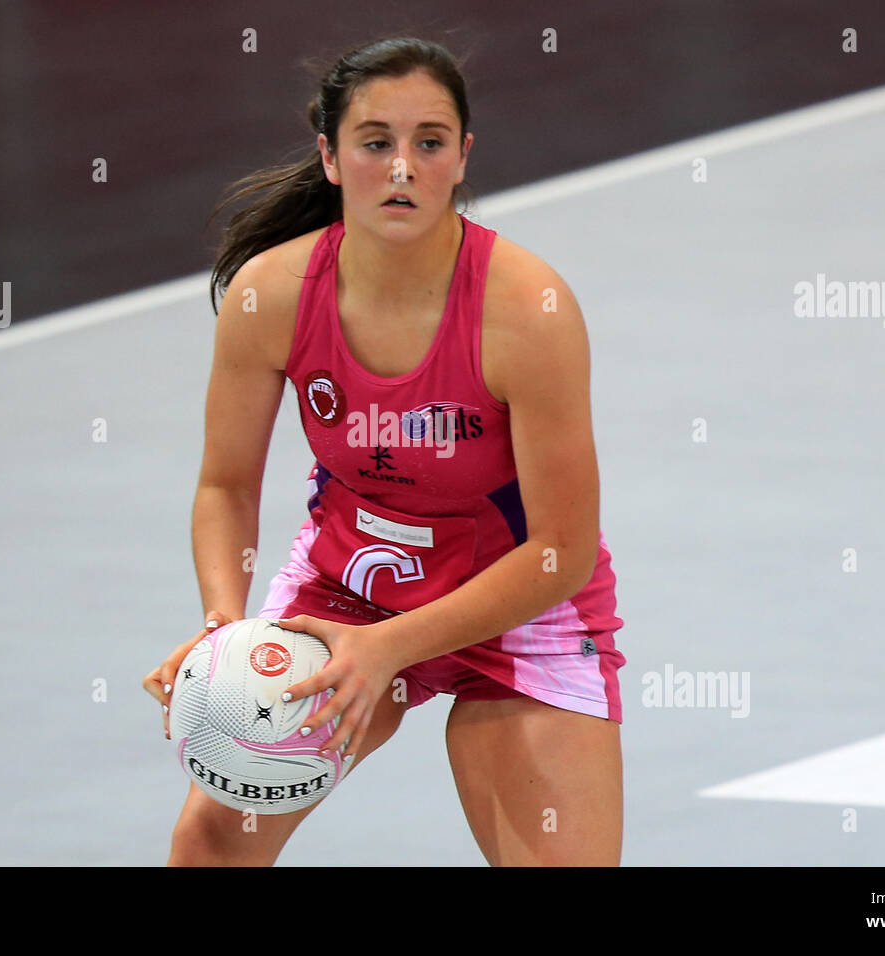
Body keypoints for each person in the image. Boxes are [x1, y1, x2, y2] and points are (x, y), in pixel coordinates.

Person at [142, 35, 626, 866]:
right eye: (375, 143)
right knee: (211, 841)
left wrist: (395, 648)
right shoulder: (271, 295)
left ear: (462, 157)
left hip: (515, 606)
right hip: (351, 584)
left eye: (428, 143)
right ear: (330, 157)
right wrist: (223, 628)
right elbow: (225, 487)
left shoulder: (528, 311)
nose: (401, 167)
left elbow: (562, 551)